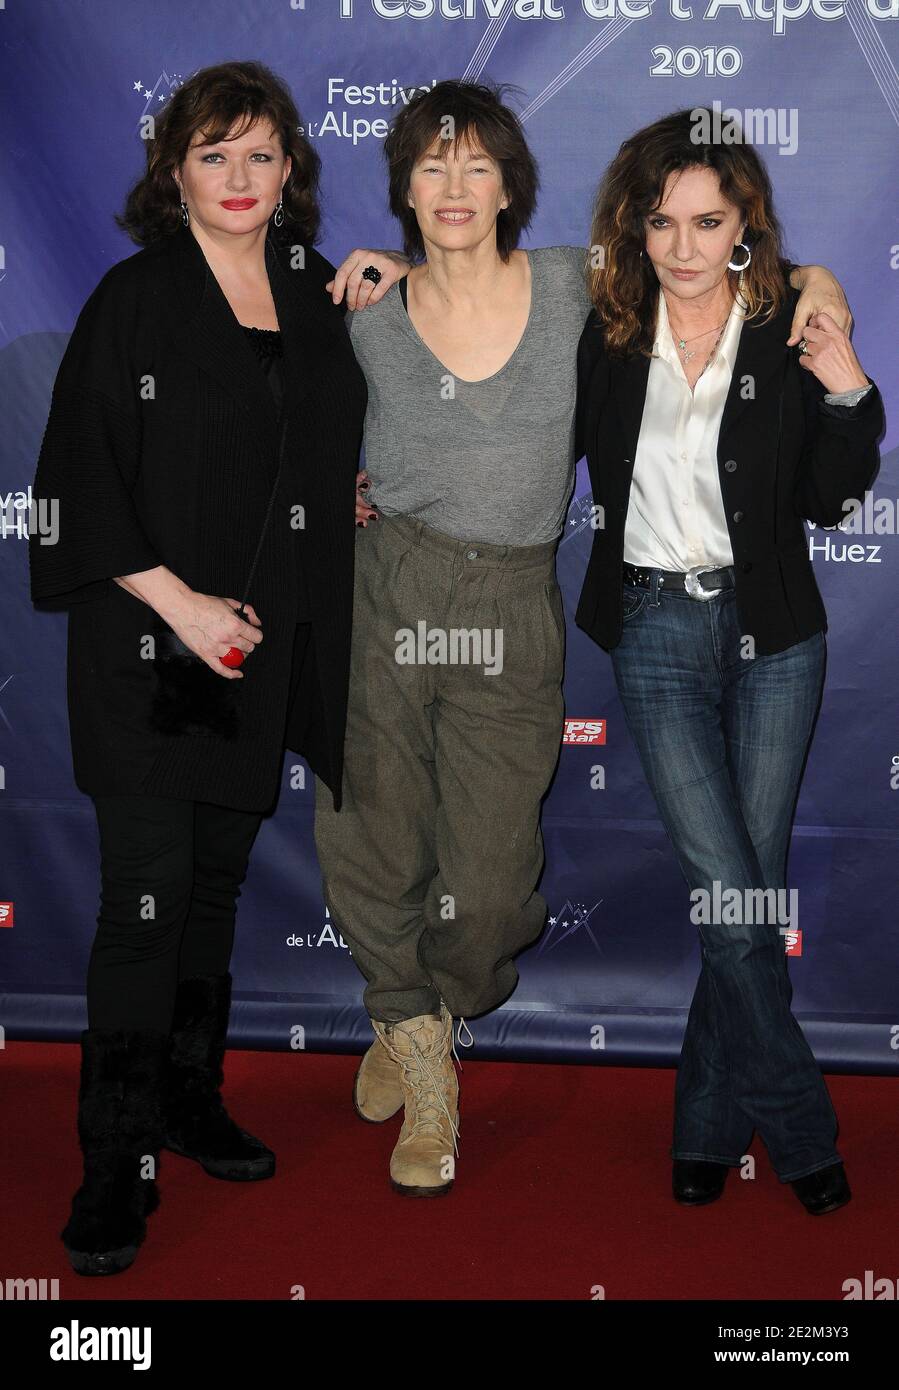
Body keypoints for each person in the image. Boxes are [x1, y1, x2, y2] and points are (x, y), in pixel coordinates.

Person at [312, 79, 853, 1197]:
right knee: (369, 831)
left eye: (476, 167)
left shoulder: (576, 288)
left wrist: (823, 293)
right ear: (404, 186)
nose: (455, 188)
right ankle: (415, 1036)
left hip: (546, 607)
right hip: (408, 587)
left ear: (512, 183)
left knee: (519, 880)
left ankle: (448, 1009)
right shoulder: (369, 313)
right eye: (431, 167)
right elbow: (291, 432)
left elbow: (754, 282)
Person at [28, 60, 366, 1273]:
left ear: (291, 172)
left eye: (260, 154)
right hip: (147, 653)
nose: (237, 177)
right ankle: (112, 1160)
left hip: (257, 655)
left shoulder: (313, 298)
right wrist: (180, 608)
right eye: (212, 154)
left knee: (212, 896)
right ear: (173, 171)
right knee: (144, 905)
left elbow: (323, 460)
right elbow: (75, 481)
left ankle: (185, 1098)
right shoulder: (137, 296)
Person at [573, 107, 884, 1214]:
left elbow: (824, 492)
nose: (684, 246)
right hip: (654, 627)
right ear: (633, 227)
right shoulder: (603, 329)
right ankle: (801, 1129)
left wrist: (844, 387)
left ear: (744, 225)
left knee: (737, 890)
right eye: (660, 222)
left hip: (773, 639)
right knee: (731, 893)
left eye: (708, 221)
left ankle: (704, 1122)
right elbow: (481, 308)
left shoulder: (786, 323)